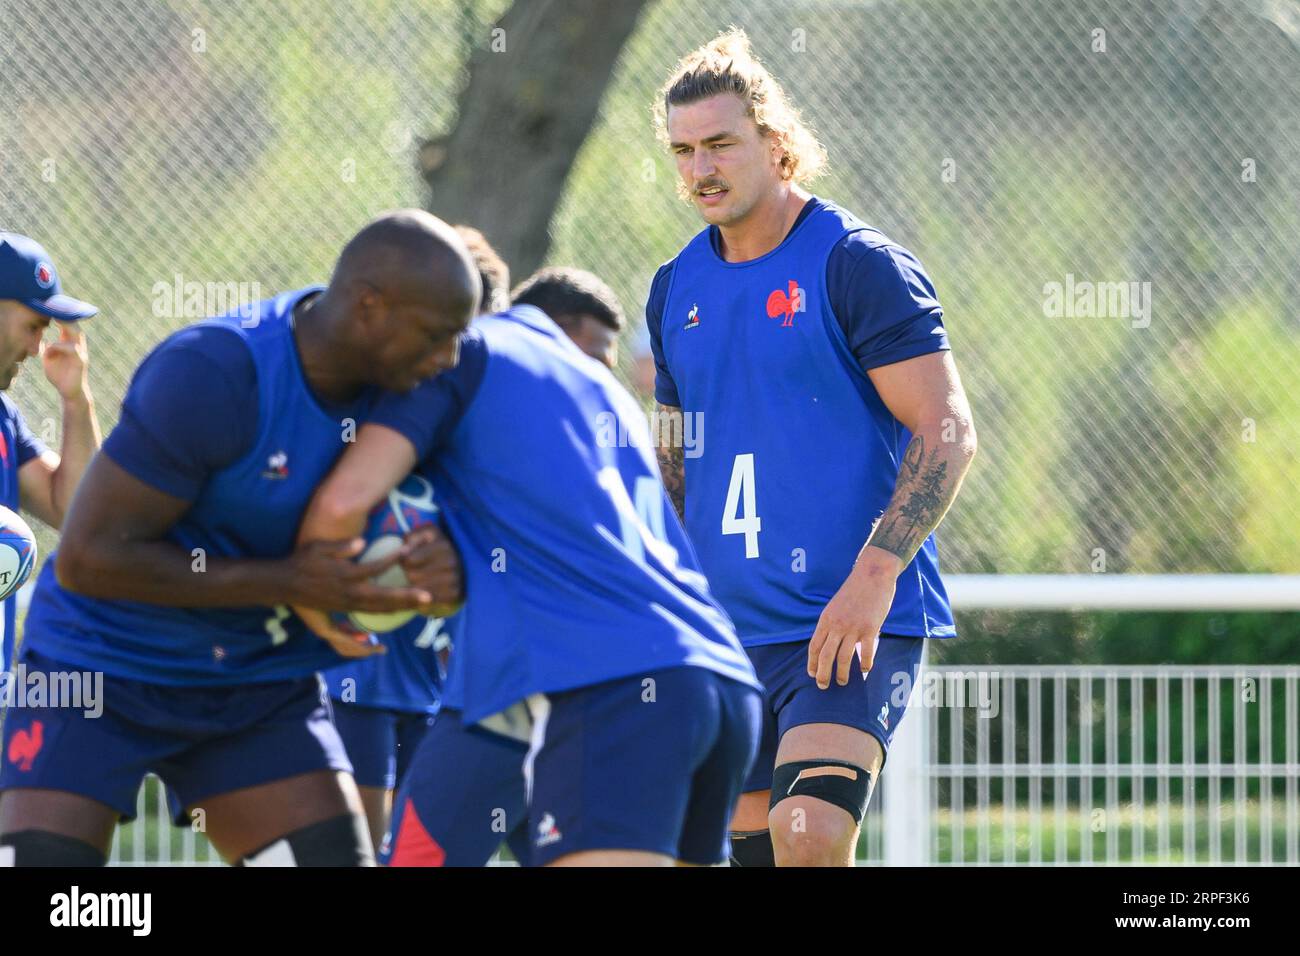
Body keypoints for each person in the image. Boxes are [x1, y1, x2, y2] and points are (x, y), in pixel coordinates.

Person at [0, 210, 474, 866]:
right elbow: (88, 558)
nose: (450, 356)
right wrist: (288, 582)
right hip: (100, 667)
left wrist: (445, 570)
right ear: (370, 308)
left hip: (255, 679)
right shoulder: (215, 372)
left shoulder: (414, 384)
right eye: (436, 334)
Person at [648, 30, 978, 866]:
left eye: (721, 143)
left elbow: (947, 430)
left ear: (776, 142)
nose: (700, 169)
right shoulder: (673, 286)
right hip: (728, 631)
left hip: (846, 622)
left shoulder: (855, 264)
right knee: (746, 852)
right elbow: (676, 463)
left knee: (811, 833)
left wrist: (874, 578)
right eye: (683, 151)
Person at [294, 287, 761, 867]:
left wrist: (314, 606)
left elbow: (343, 506)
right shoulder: (600, 393)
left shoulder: (461, 357)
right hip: (713, 680)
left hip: (605, 685)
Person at [376, 266, 630, 867]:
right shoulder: (475, 403)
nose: (593, 379)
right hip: (540, 691)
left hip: (530, 694)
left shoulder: (578, 438)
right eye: (590, 356)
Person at [320, 224, 512, 851]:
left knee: (417, 848)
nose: (453, 360)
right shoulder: (378, 405)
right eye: (444, 336)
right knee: (359, 847)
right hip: (359, 671)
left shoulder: (475, 429)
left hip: (432, 681)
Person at [0, 233, 102, 674]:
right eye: (33, 326)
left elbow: (79, 512)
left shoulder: (4, 418)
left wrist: (76, 400)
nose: (38, 347)